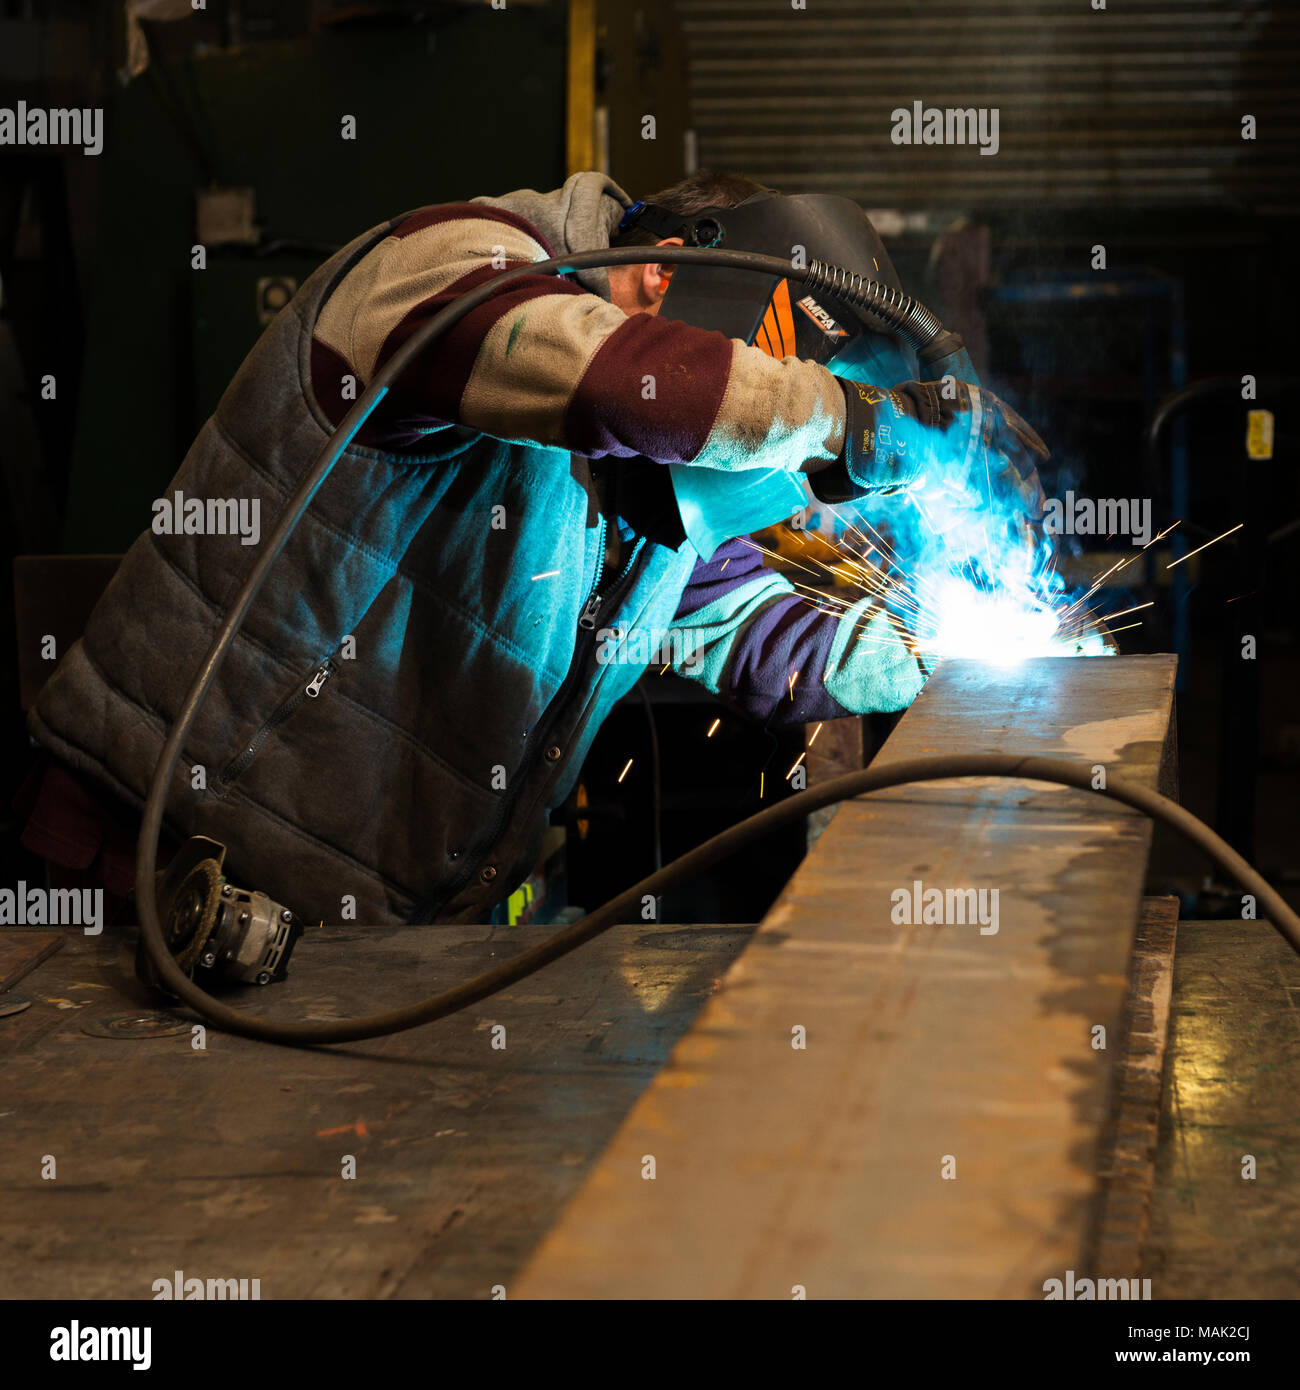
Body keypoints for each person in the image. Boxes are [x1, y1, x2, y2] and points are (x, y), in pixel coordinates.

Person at [22, 169, 1048, 927]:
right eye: (768, 392)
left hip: (368, 936)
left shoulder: (649, 492)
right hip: (147, 882)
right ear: (664, 275)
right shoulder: (454, 267)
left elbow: (743, 626)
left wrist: (936, 650)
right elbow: (613, 381)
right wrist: (851, 424)